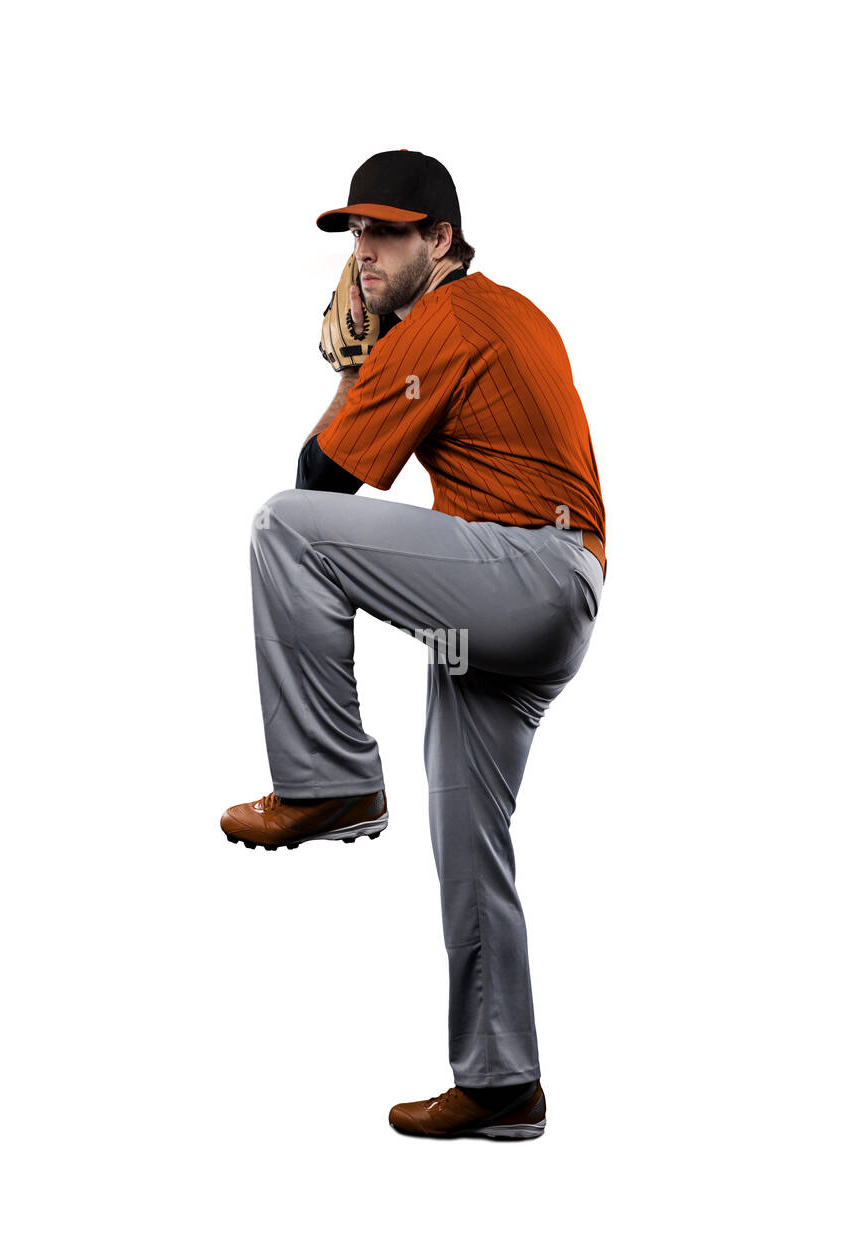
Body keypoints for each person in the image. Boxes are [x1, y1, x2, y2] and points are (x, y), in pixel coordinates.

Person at [221, 150, 607, 1140]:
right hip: (519, 605)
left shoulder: (452, 314)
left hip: (526, 574)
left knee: (280, 525)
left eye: (385, 231)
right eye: (354, 232)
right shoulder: (467, 318)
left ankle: (329, 779)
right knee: (465, 839)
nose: (363, 252)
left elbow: (318, 488)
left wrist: (356, 362)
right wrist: (369, 359)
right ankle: (499, 1082)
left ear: (440, 239)